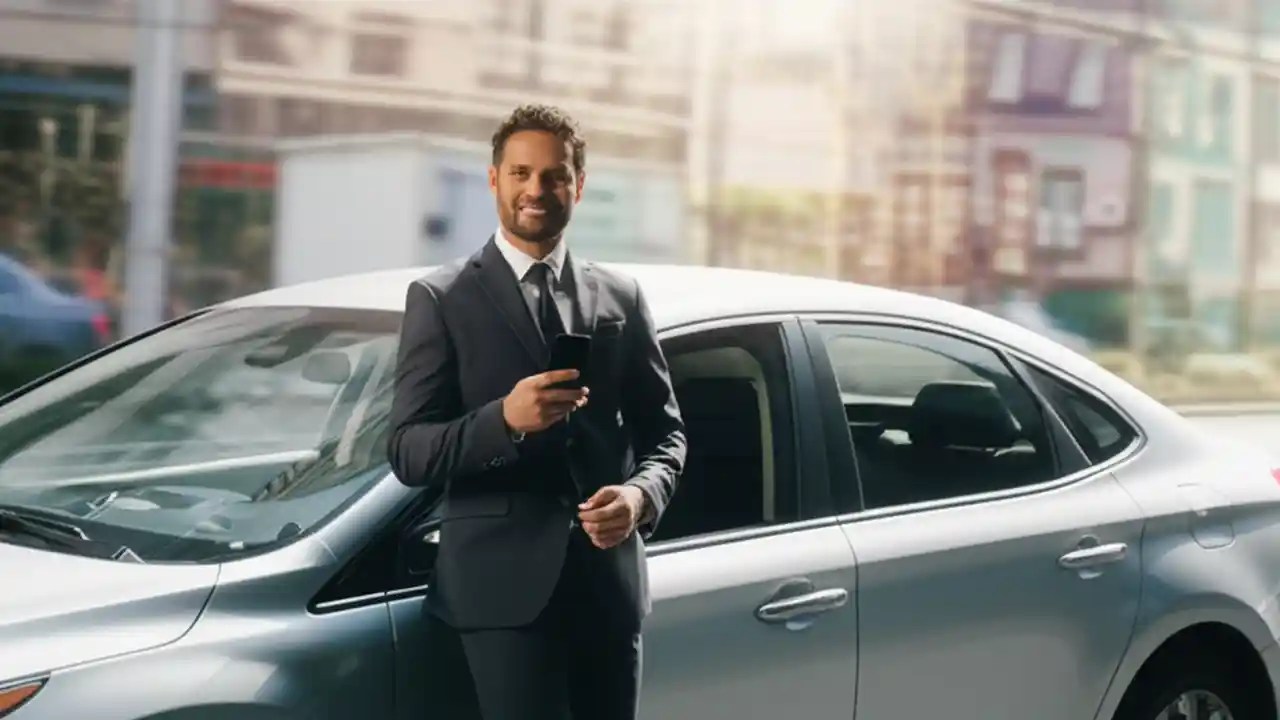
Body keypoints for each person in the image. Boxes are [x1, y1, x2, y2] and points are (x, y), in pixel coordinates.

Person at [386, 103, 687, 720]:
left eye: (553, 176)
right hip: (498, 600)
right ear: (494, 180)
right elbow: (408, 450)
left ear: (578, 185)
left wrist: (638, 500)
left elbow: (667, 437)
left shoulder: (620, 297)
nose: (536, 190)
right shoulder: (442, 299)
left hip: (608, 591)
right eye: (521, 173)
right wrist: (504, 421)